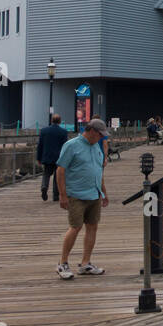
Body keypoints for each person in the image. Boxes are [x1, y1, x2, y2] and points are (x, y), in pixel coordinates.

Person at [55, 118, 109, 279]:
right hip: (76, 194)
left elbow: (98, 171)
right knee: (75, 226)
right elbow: (60, 170)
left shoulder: (96, 147)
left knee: (92, 227)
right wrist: (62, 195)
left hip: (94, 193)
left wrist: (104, 193)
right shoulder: (71, 146)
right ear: (91, 131)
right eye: (100, 135)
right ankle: (63, 263)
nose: (101, 138)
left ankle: (86, 263)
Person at [37, 112, 67, 201]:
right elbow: (65, 146)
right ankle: (55, 195)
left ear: (51, 120)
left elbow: (40, 145)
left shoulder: (44, 131)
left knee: (46, 174)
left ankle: (44, 186)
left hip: (47, 156)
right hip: (59, 157)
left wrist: (39, 157)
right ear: (60, 121)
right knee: (57, 176)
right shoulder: (63, 132)